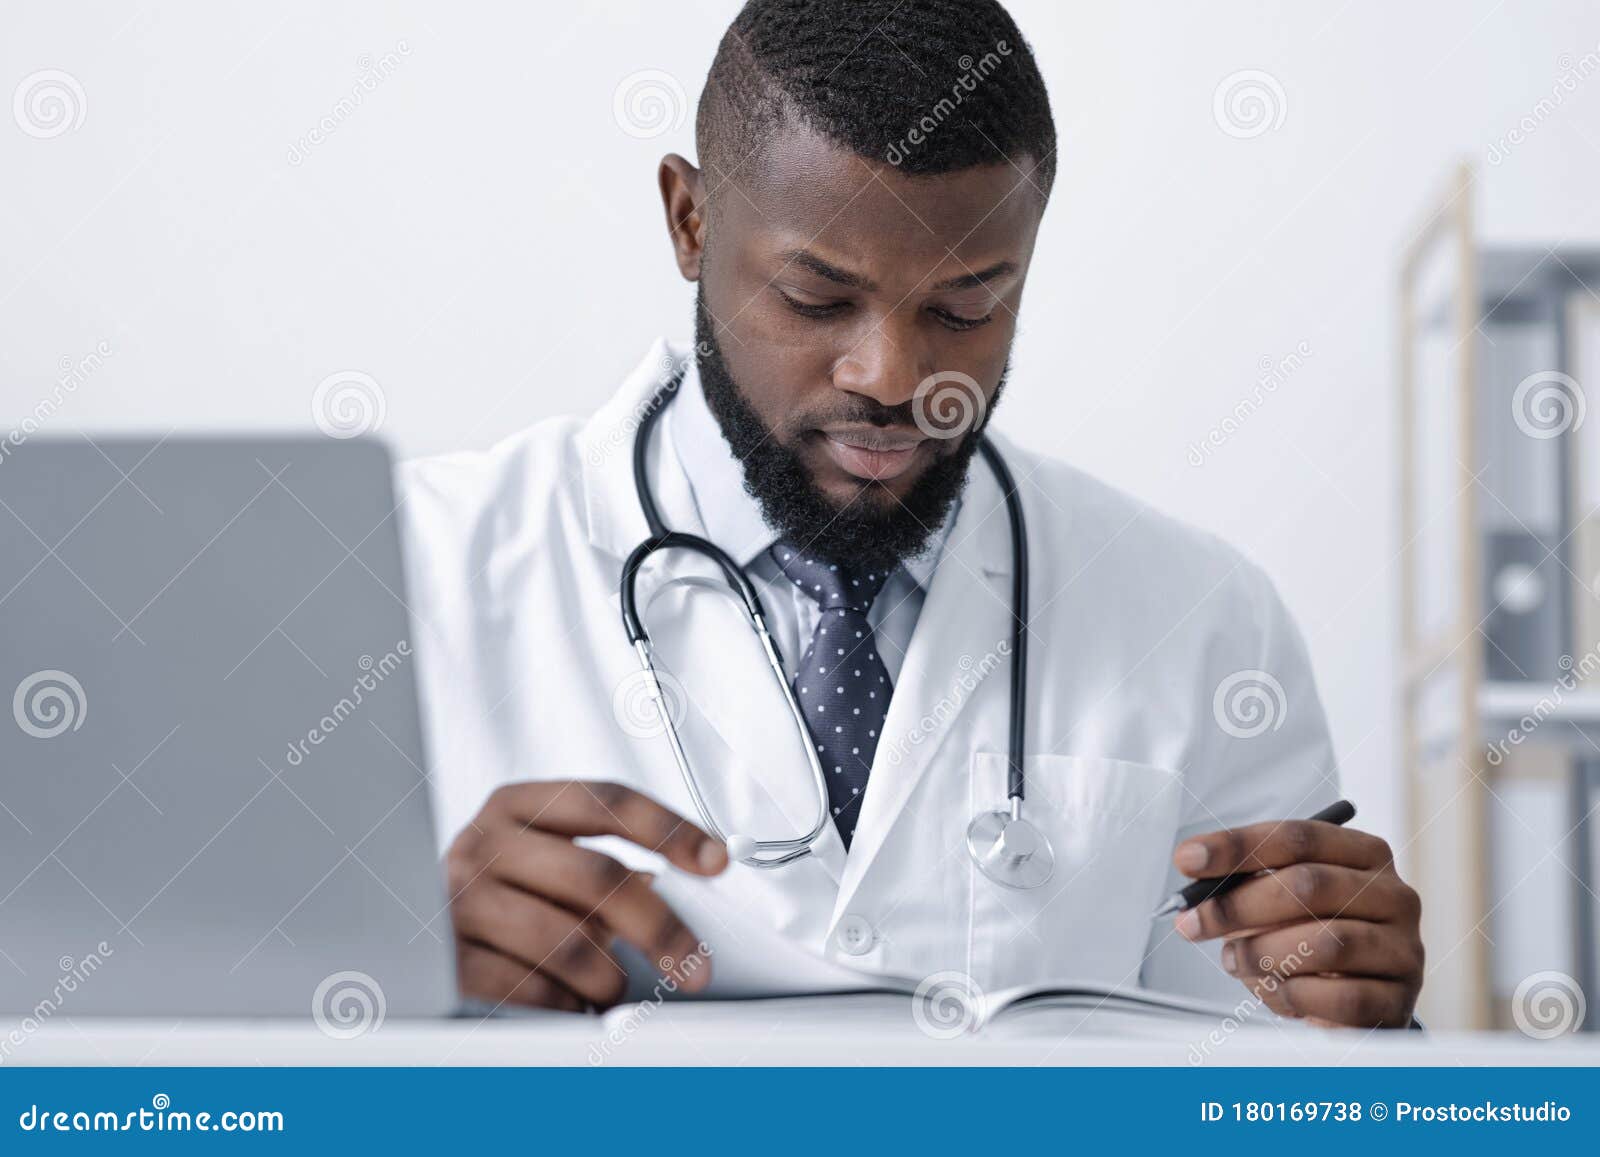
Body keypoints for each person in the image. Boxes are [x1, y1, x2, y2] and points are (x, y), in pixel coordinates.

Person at [401, 0, 1423, 1027]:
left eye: (964, 310)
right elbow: (256, 1053)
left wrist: (1356, 1020)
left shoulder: (1205, 618)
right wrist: (396, 960)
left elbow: (1267, 1071)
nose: (892, 378)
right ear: (689, 220)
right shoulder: (416, 568)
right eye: (815, 298)